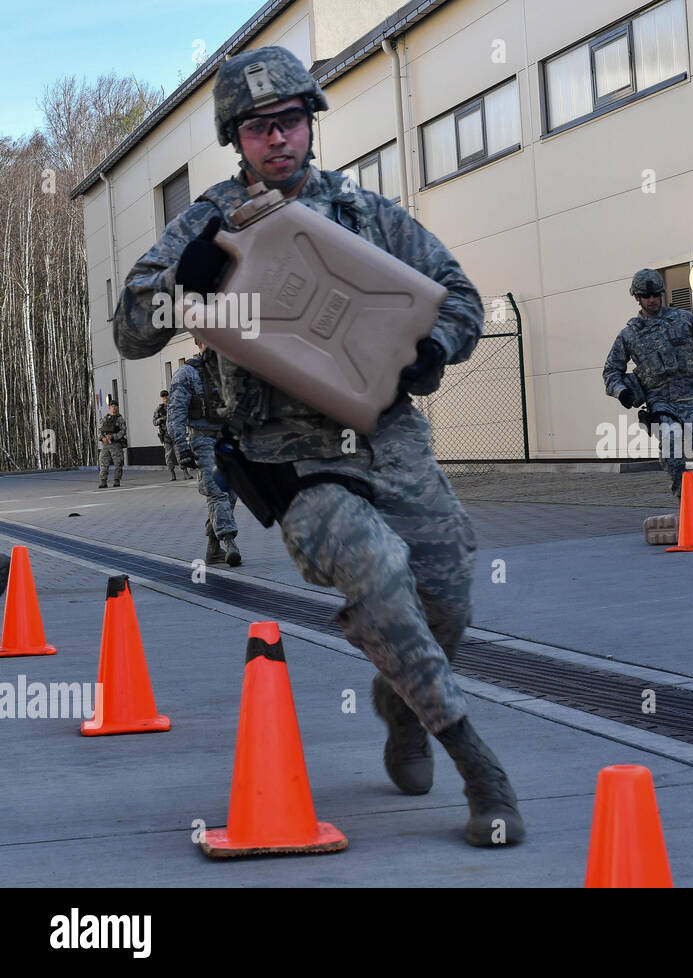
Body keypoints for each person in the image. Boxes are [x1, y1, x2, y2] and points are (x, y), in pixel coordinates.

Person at [110, 46, 522, 847]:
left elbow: (461, 296)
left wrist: (434, 347)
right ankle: (480, 767)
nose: (278, 139)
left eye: (290, 121)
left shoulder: (367, 214)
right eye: (260, 127)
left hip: (389, 438)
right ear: (237, 139)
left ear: (309, 125)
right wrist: (182, 282)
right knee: (379, 575)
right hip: (291, 459)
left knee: (449, 592)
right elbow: (130, 328)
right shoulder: (212, 221)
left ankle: (401, 704)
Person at [603, 268, 693, 498]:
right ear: (637, 298)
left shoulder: (684, 320)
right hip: (661, 403)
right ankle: (685, 500)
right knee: (674, 449)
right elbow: (611, 371)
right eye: (646, 296)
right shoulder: (629, 335)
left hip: (692, 398)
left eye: (656, 295)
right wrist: (622, 393)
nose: (652, 300)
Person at [169, 341, 241, 566]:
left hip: (229, 440)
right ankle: (230, 543)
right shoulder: (187, 374)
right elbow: (175, 413)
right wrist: (181, 447)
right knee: (217, 492)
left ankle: (213, 547)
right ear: (198, 342)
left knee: (231, 494)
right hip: (203, 439)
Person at [153, 390, 188, 481]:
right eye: (163, 396)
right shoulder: (159, 409)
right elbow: (154, 422)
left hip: (175, 433)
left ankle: (185, 472)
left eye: (166, 396)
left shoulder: (174, 406)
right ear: (161, 398)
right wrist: (161, 419)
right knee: (169, 456)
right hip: (165, 435)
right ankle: (172, 474)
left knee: (179, 453)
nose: (165, 398)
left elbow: (181, 417)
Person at [96, 402, 127, 489]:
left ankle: (117, 480)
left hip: (116, 445)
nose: (114, 408)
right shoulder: (105, 418)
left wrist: (113, 436)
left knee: (118, 463)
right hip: (105, 445)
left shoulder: (120, 419)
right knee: (103, 463)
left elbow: (123, 431)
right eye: (112, 406)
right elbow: (99, 430)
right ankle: (103, 481)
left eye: (115, 406)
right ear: (109, 408)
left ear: (118, 407)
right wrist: (102, 438)